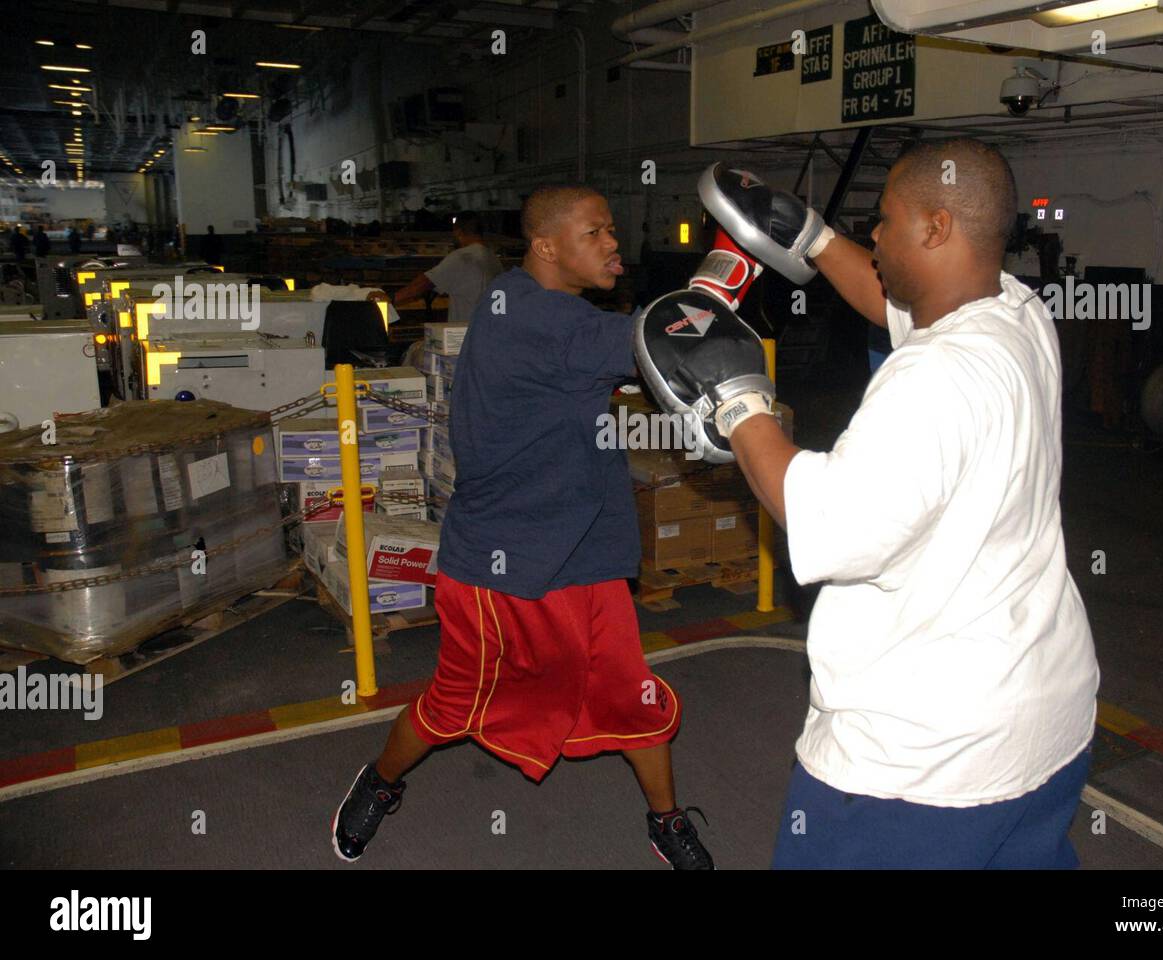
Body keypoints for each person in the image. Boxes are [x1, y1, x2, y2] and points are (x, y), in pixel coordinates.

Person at [670, 140, 1100, 868]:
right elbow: (897, 303)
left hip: (923, 761)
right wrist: (811, 237)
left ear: (936, 228)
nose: (873, 233)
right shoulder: (1016, 310)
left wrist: (734, 397)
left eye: (886, 219)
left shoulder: (933, 378)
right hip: (1045, 717)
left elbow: (826, 520)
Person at [332, 185, 714, 870]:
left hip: (583, 546)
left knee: (629, 689)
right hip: (505, 561)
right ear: (546, 246)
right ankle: (380, 782)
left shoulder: (525, 299)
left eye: (611, 230)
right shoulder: (538, 318)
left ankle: (666, 819)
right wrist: (727, 274)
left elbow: (637, 344)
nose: (613, 244)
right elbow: (658, 340)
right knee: (455, 703)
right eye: (595, 233)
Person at [391, 212, 502, 324]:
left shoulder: (462, 256)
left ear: (458, 232)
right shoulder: (494, 259)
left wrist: (392, 299)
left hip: (466, 328)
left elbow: (424, 283)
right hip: (491, 327)